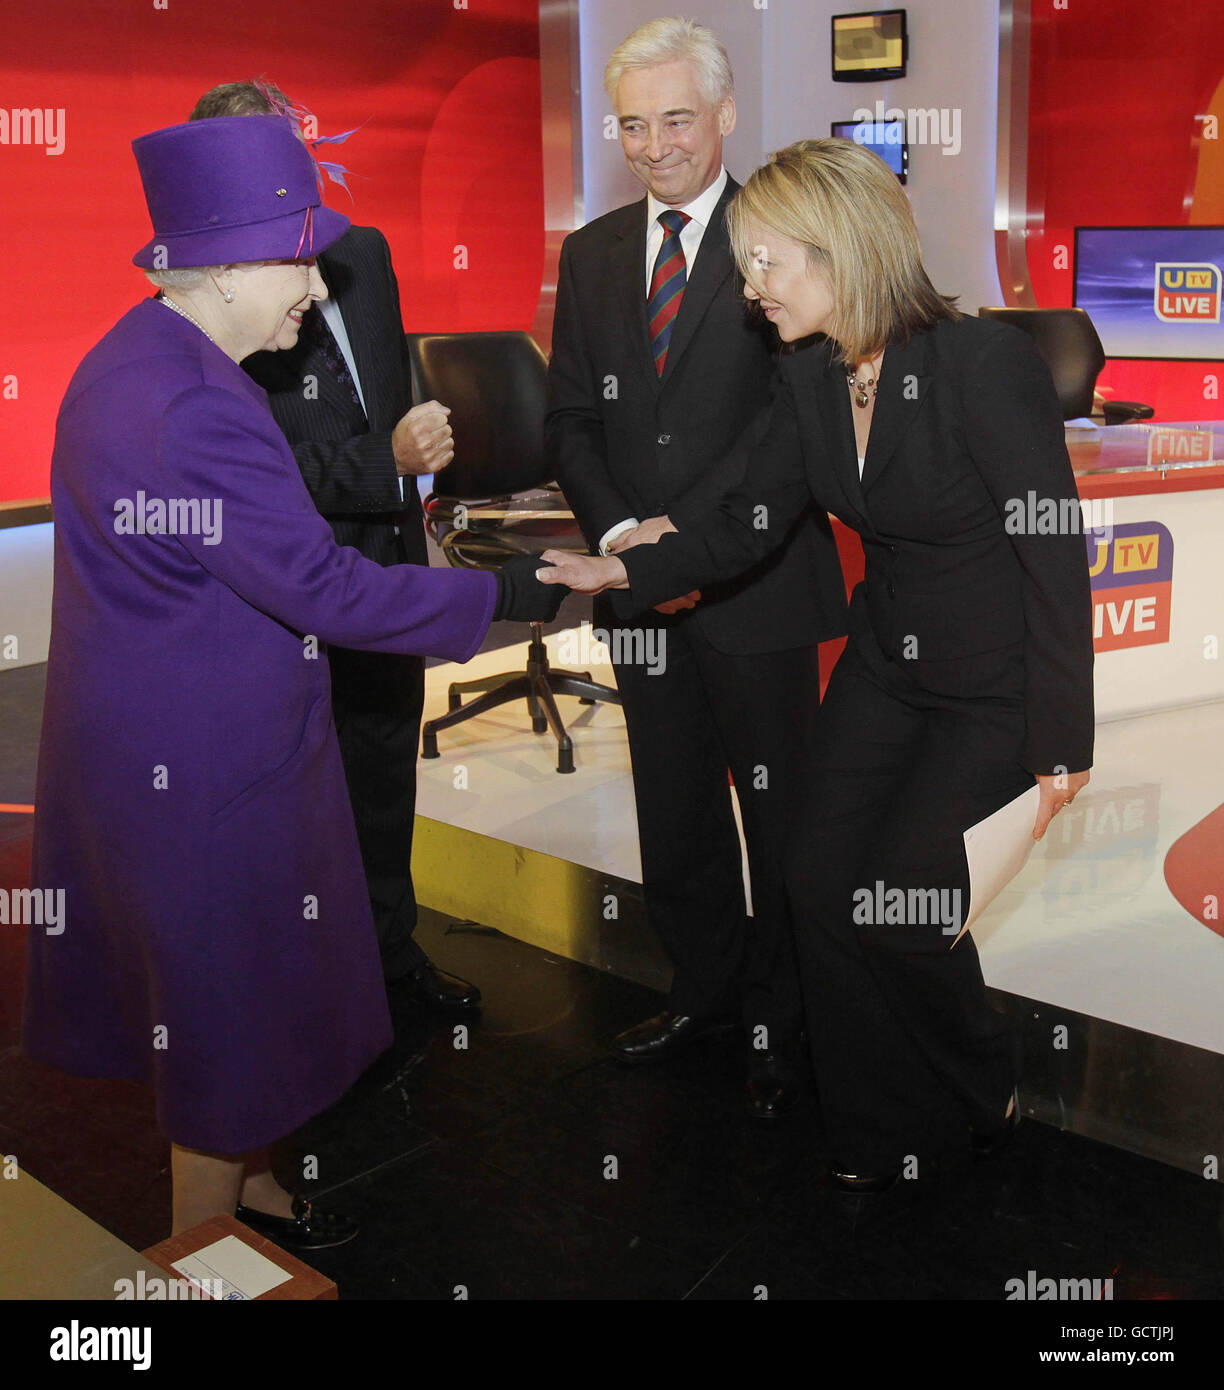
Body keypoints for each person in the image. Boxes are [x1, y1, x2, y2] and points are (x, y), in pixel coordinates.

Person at [21, 114, 559, 1245]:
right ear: (224, 267)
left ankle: (250, 1188)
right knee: (226, 1022)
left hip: (153, 750)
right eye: (299, 258)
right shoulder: (201, 410)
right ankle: (205, 1252)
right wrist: (515, 594)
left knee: (235, 1011)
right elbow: (329, 590)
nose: (319, 285)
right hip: (214, 772)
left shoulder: (134, 355)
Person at [539, 137, 1094, 1189]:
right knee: (816, 878)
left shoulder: (983, 363)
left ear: (837, 252)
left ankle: (980, 1079)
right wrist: (620, 574)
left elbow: (1050, 549)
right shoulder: (811, 370)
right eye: (744, 265)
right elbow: (749, 519)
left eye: (765, 264)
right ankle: (887, 1129)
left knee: (903, 906)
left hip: (992, 687)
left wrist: (1063, 740)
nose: (750, 292)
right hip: (887, 670)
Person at [545, 18, 846, 1119]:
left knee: (779, 818)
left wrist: (690, 547)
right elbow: (573, 418)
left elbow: (790, 426)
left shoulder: (780, 244)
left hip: (757, 584)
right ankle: (705, 993)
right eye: (634, 122)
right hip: (637, 589)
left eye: (677, 117)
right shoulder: (590, 251)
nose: (656, 143)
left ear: (724, 116)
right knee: (673, 809)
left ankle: (786, 1020)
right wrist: (627, 543)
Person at [190, 80, 480, 1016]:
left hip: (385, 564)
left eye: (289, 152)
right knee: (300, 800)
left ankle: (390, 961)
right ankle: (315, 998)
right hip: (283, 589)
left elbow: (391, 402)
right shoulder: (210, 295)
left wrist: (417, 509)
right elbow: (255, 469)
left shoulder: (362, 253)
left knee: (386, 770)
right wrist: (380, 462)